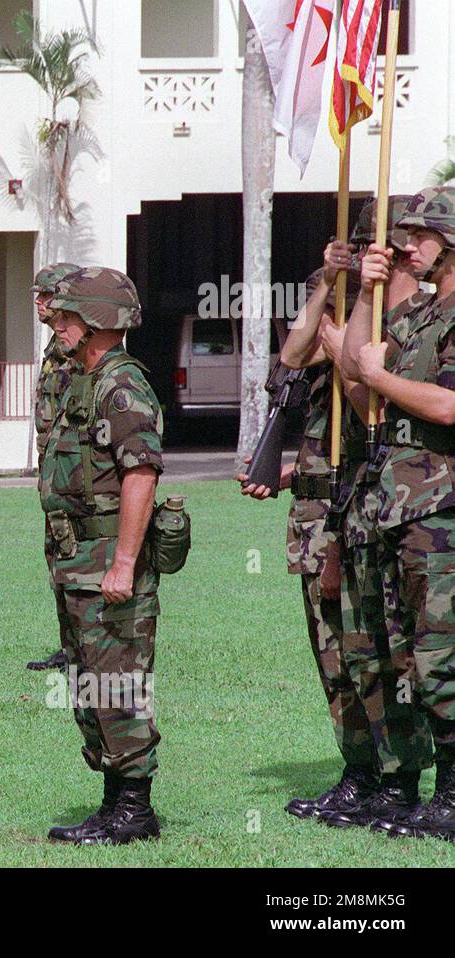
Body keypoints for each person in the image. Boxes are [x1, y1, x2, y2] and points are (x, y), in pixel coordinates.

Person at [244, 246, 377, 821]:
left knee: (364, 651)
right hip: (312, 518)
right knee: (331, 656)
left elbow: (374, 414)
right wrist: (325, 285)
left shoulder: (376, 342)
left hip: (355, 516)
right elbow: (292, 354)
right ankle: (358, 771)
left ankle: (383, 777)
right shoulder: (317, 345)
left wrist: (345, 353)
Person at [338, 186, 455, 839]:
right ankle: (419, 789)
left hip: (443, 509)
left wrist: (382, 381)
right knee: (407, 655)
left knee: (443, 654)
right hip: (398, 507)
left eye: (420, 237)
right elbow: (358, 382)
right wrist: (362, 297)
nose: (408, 247)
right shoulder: (423, 314)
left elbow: (447, 407)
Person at [38, 266, 165, 845]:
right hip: (76, 559)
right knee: (91, 683)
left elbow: (141, 474)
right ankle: (114, 805)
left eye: (66, 316)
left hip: (104, 562)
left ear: (96, 321)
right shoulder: (82, 380)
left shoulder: (122, 385)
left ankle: (135, 812)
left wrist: (122, 562)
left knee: (117, 684)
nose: (57, 324)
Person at [27, 262, 81, 674]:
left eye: (45, 295)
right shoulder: (55, 348)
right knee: (57, 561)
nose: (38, 302)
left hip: (72, 478)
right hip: (53, 478)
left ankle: (83, 648)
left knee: (73, 561)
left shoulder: (77, 351)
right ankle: (70, 646)